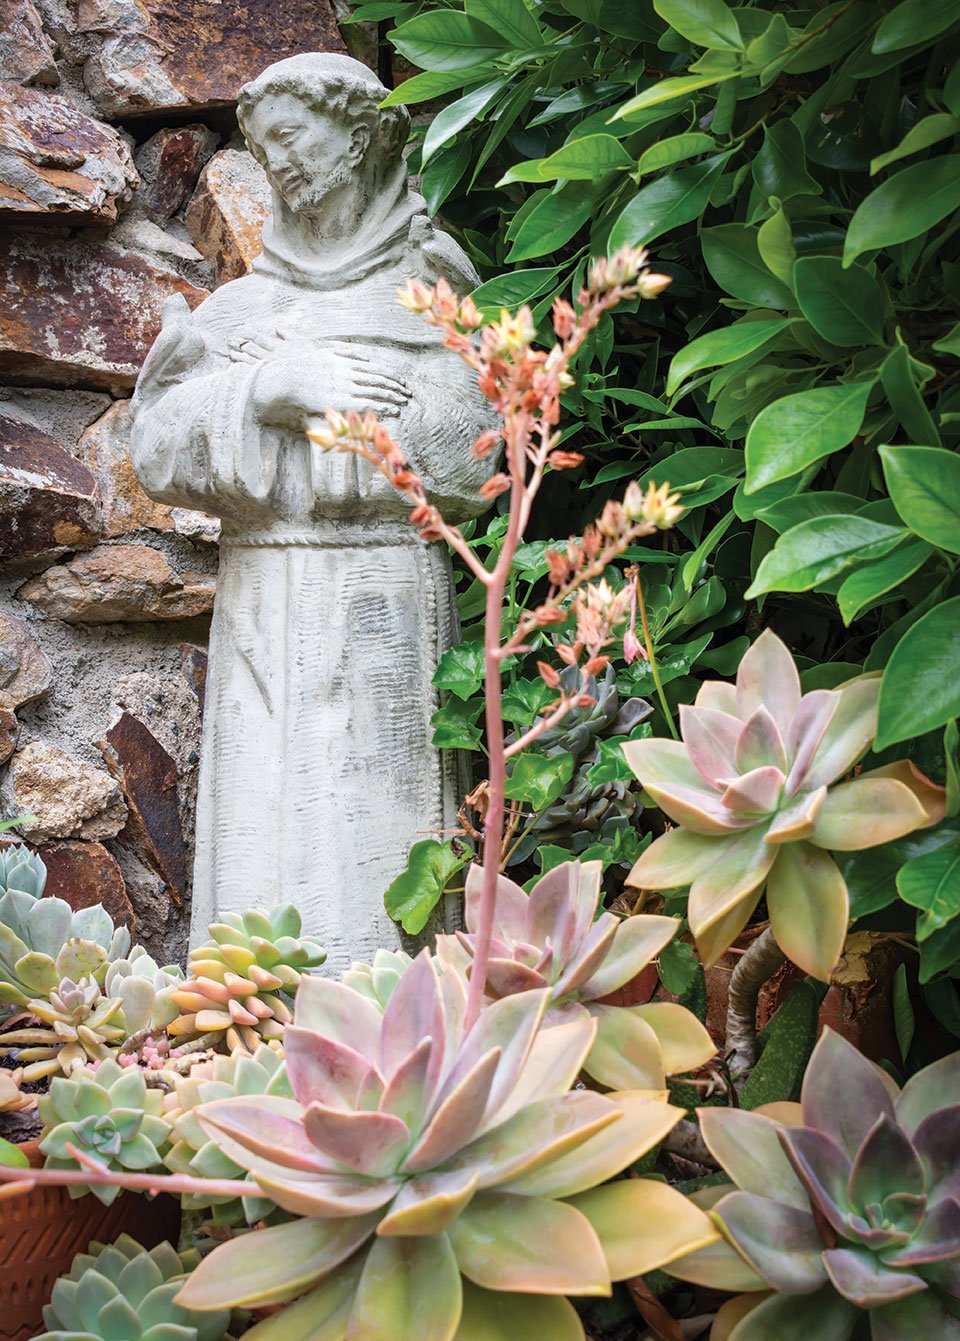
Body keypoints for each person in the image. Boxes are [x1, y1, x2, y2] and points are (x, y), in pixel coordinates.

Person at [131, 53, 493, 968]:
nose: (278, 163)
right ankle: (245, 1045)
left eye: (294, 137)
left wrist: (368, 415)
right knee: (264, 824)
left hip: (388, 592)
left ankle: (392, 1038)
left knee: (378, 838)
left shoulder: (436, 290)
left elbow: (485, 446)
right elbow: (156, 445)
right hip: (262, 591)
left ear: (365, 134)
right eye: (261, 147)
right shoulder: (245, 307)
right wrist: (265, 389)